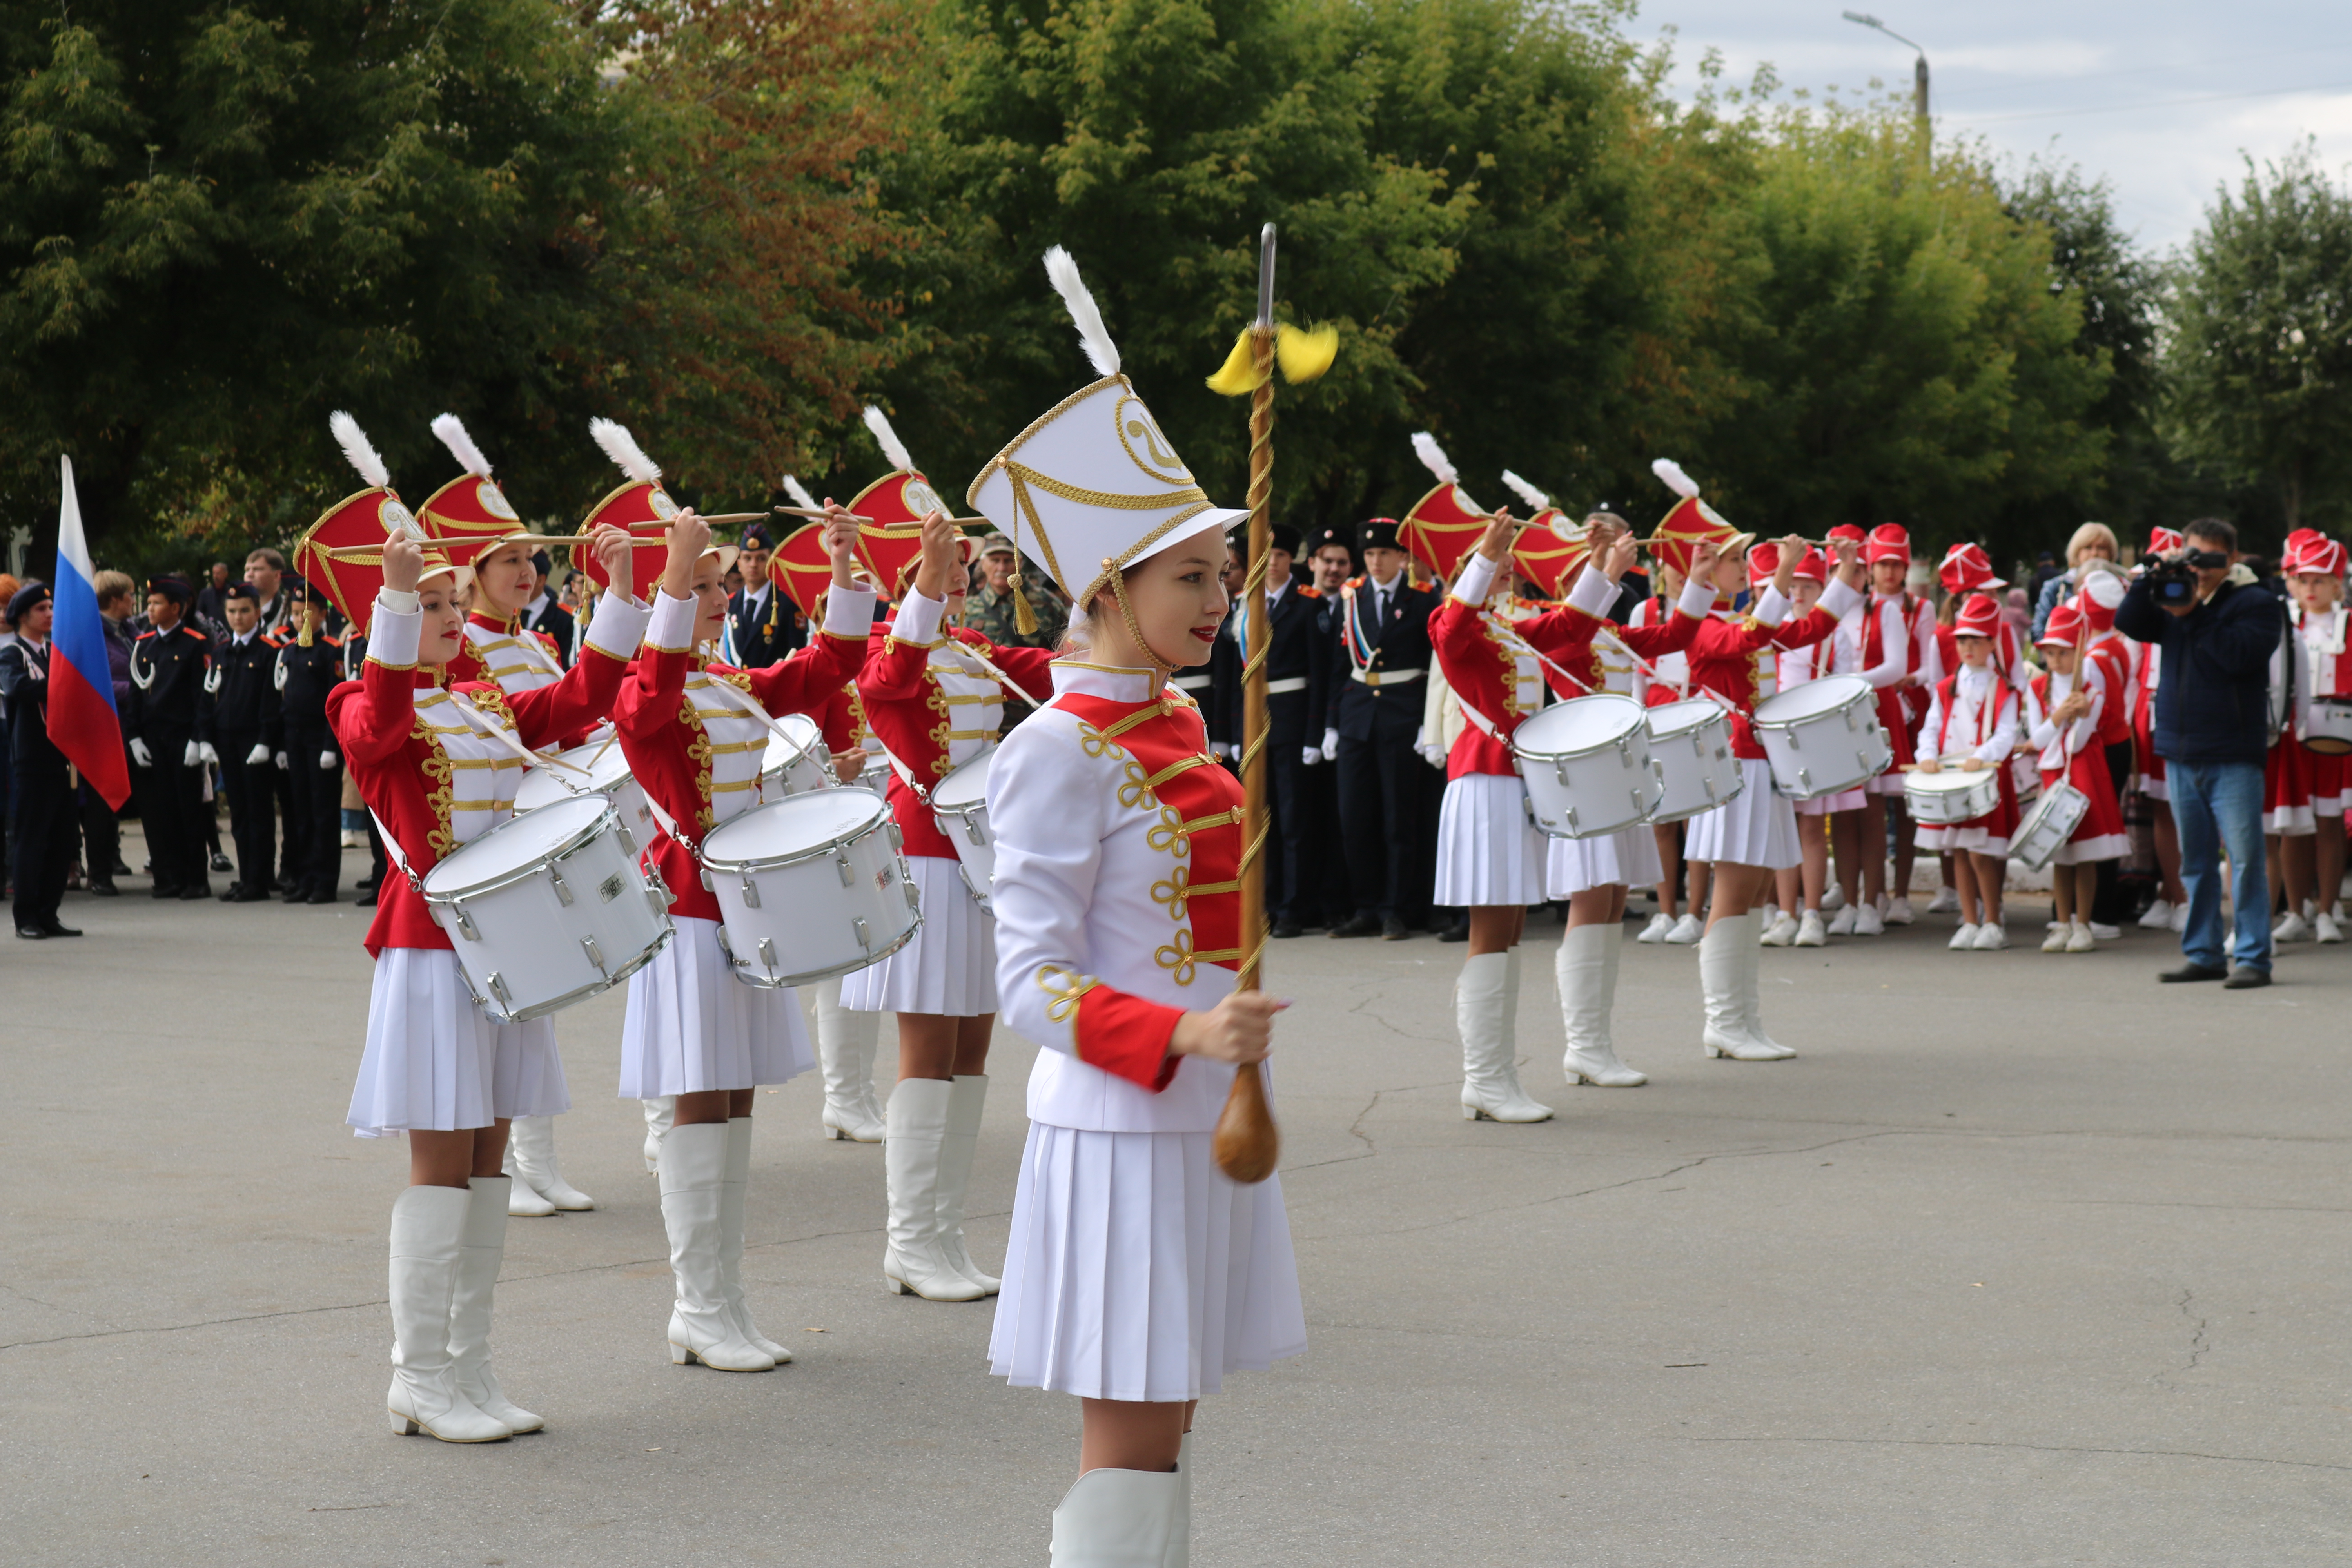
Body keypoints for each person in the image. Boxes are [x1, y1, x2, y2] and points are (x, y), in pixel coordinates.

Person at [973, 256, 1303, 1562]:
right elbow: (1029, 981)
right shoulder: (1056, 747)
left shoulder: (1173, 718)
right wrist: (1181, 1036)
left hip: (1202, 1121)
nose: (1221, 608)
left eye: (1226, 579)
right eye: (1193, 583)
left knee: (1173, 1415)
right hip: (1122, 1122)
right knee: (1134, 1420)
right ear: (1108, 589)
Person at [326, 440, 661, 1443]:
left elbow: (578, 705)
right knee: (443, 1163)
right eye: (420, 608)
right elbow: (378, 732)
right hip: (433, 953)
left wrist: (626, 590)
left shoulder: (479, 700)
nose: (439, 622)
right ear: (387, 617)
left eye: (440, 606)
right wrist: (391, 607)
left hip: (509, 942)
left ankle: (468, 1369)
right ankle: (418, 1376)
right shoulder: (364, 702)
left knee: (488, 1161)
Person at [610, 505, 872, 1371]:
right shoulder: (651, 686)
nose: (720, 595)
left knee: (738, 1102)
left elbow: (833, 664)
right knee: (699, 1100)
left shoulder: (733, 685)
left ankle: (724, 1300)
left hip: (747, 911)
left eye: (723, 583)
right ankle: (696, 1304)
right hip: (688, 913)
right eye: (703, 583)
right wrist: (673, 578)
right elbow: (645, 708)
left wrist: (840, 567)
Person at [853, 510, 1056, 1303]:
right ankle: (909, 1241)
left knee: (973, 1048)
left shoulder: (974, 651)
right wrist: (925, 592)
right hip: (926, 860)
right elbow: (886, 688)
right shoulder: (889, 650)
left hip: (984, 856)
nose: (960, 581)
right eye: (944, 569)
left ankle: (943, 1234)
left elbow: (1052, 670)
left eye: (963, 571)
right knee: (928, 1049)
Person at [2115, 518, 2283, 988]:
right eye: (2193, 557)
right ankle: (2205, 953)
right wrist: (2150, 580)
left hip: (2234, 751)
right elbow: (2129, 624)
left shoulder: (2258, 602)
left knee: (2246, 860)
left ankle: (2253, 957)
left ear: (2231, 559)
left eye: (2211, 559)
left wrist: (2193, 612)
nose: (2202, 569)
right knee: (2195, 861)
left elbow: (2238, 657)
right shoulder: (2172, 594)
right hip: (2181, 749)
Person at [1323, 518, 1439, 939]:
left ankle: (1396, 908)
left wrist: (1428, 723)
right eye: (1370, 554)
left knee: (1398, 820)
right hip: (1356, 718)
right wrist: (1332, 724)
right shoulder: (1350, 600)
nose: (1375, 562)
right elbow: (1338, 669)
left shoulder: (1423, 600)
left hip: (1401, 716)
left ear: (1402, 557)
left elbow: (1432, 671)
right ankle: (1366, 906)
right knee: (1355, 819)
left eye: (1384, 554)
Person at [1211, 523, 1319, 937]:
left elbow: (1318, 674)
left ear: (1290, 559)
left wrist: (1315, 733)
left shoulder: (1305, 605)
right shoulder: (1241, 606)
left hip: (1290, 718)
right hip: (1249, 721)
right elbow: (1227, 675)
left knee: (1292, 820)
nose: (1270, 563)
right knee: (1254, 819)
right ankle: (1263, 902)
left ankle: (1293, 905)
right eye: (1262, 555)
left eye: (1277, 555)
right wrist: (1227, 730)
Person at [1916, 594, 2024, 951]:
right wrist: (1928, 755)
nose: (1967, 647)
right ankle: (1969, 919)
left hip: (1986, 779)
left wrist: (1983, 756)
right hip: (1952, 779)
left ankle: (1993, 919)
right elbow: (1932, 726)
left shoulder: (2004, 687)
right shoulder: (1947, 686)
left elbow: (2007, 733)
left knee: (1980, 852)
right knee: (1959, 851)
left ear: (1993, 642)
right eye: (1962, 639)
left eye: (1976, 640)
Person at [2025, 601, 2130, 951]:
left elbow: (2080, 741)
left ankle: (2084, 924)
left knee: (2084, 852)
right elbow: (2036, 739)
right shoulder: (2038, 688)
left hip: (2085, 772)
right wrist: (2059, 716)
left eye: (2064, 652)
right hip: (2054, 773)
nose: (2055, 661)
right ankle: (2061, 923)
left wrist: (2080, 714)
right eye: (2050, 653)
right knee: (2060, 852)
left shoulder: (2092, 692)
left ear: (2079, 652)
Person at [1861, 524, 1937, 927]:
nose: (1890, 571)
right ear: (1871, 567)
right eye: (1883, 563)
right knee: (1870, 802)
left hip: (1912, 708)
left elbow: (1930, 662)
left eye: (1897, 563)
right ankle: (1868, 893)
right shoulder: (1861, 606)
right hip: (1872, 710)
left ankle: (1902, 894)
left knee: (1905, 806)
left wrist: (1912, 677)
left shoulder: (1919, 608)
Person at [125, 574, 216, 899]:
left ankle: (196, 878)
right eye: (149, 603)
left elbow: (202, 695)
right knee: (159, 811)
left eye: (157, 603)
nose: (150, 608)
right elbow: (136, 694)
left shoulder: (195, 643)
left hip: (182, 737)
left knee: (188, 810)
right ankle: (169, 876)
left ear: (176, 608)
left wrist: (198, 738)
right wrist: (134, 737)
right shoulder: (144, 643)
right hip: (153, 738)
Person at [0, 581, 79, 938]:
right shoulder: (12, 653)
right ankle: (26, 917)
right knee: (32, 839)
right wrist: (66, 684)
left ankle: (49, 912)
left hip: (64, 758)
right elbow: (19, 688)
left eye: (51, 609)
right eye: (41, 610)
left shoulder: (55, 653)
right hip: (32, 758)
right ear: (22, 617)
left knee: (63, 839)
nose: (50, 615)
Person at [206, 582, 283, 901]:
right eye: (232, 611)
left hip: (255, 742)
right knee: (239, 812)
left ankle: (260, 880)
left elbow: (271, 700)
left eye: (244, 611)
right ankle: (247, 876)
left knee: (259, 812)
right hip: (228, 740)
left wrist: (266, 740)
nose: (238, 617)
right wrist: (205, 738)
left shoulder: (268, 651)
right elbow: (210, 696)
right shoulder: (222, 651)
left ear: (257, 612)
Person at [274, 578, 348, 903]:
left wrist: (332, 746)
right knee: (300, 811)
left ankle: (324, 881)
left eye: (305, 613)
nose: (298, 619)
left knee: (323, 813)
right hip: (295, 737)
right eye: (294, 613)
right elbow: (284, 699)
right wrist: (280, 744)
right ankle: (304, 877)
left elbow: (336, 703)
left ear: (321, 615)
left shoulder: (330, 651)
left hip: (321, 739)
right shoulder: (289, 651)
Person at [79, 571, 139, 897]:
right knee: (102, 806)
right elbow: (92, 680)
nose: (134, 601)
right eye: (130, 595)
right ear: (115, 600)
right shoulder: (92, 634)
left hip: (134, 727)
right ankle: (100, 872)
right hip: (105, 729)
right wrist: (138, 690)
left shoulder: (130, 630)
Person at [966, 530, 1070, 653]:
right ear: (983, 564)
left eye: (1009, 561)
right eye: (995, 560)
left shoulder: (1047, 603)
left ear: (1020, 563)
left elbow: (1067, 649)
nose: (1002, 568)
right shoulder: (968, 607)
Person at [728, 521, 801, 669]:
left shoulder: (788, 602)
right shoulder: (730, 603)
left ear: (771, 562)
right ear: (739, 564)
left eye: (761, 558)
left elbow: (798, 649)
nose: (754, 565)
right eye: (748, 558)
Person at [2031, 524, 2119, 640]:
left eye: (2101, 548)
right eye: (2088, 548)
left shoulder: (2121, 587)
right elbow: (2038, 630)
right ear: (2077, 552)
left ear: (2110, 553)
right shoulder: (2056, 587)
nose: (2095, 553)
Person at [194, 562, 234, 627]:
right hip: (212, 632)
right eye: (214, 573)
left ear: (226, 575)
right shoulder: (205, 594)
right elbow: (199, 614)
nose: (216, 576)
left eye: (219, 574)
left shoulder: (232, 592)